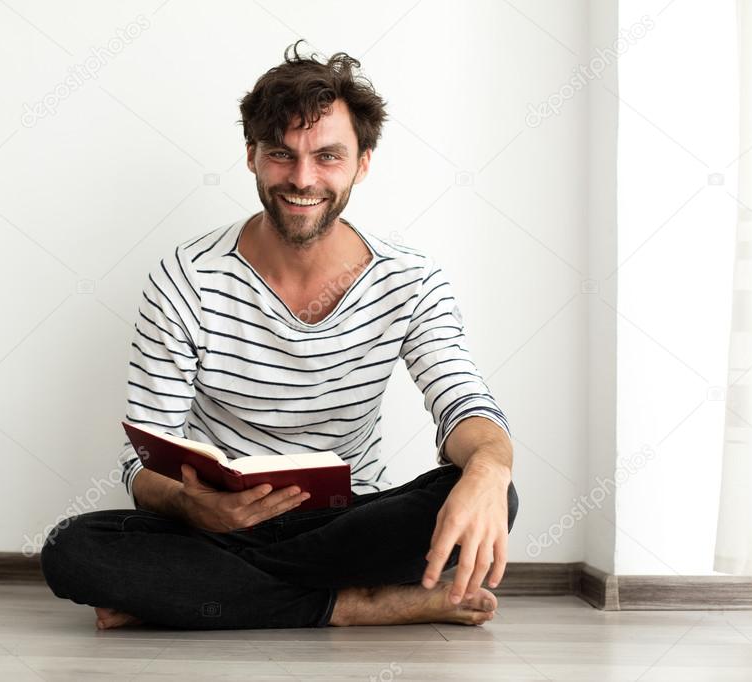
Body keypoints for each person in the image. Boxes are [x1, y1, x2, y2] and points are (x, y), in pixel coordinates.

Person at [41, 41, 518, 630]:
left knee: (492, 491)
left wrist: (491, 471)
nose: (302, 179)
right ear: (251, 156)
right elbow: (142, 463)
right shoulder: (186, 279)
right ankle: (353, 603)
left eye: (328, 157)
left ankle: (197, 597)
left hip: (349, 523)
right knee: (71, 546)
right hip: (215, 527)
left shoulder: (410, 279)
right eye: (281, 154)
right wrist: (192, 504)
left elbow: (462, 401)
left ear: (363, 163)